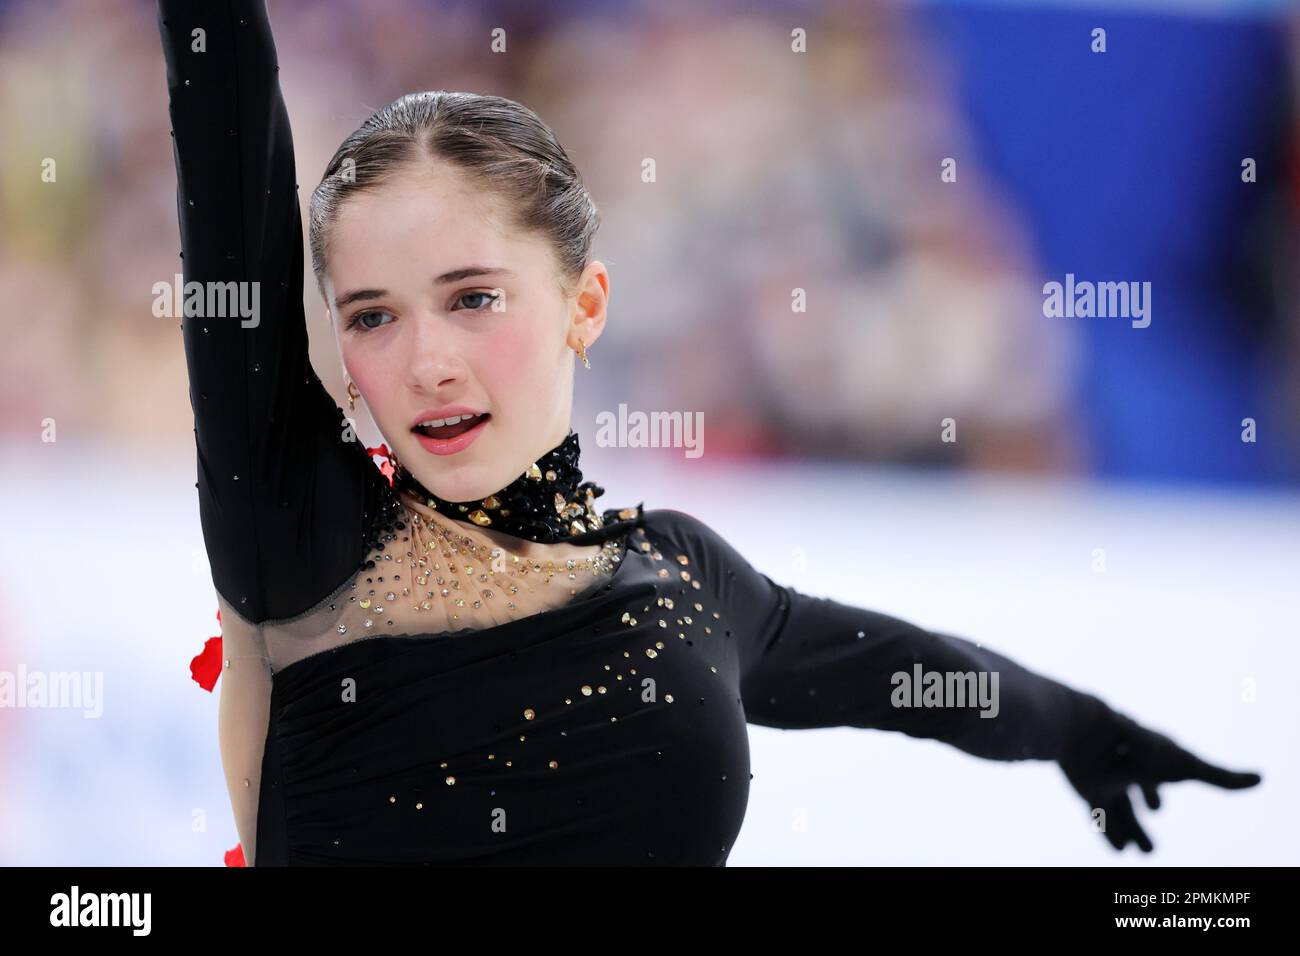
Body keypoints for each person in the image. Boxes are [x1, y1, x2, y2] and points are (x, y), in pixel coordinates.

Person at [157, 0, 1261, 865]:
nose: (427, 358)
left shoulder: (680, 574)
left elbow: (922, 678)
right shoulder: (303, 537)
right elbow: (225, 127)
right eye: (372, 316)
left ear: (585, 304)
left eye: (473, 297)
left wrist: (1081, 730)